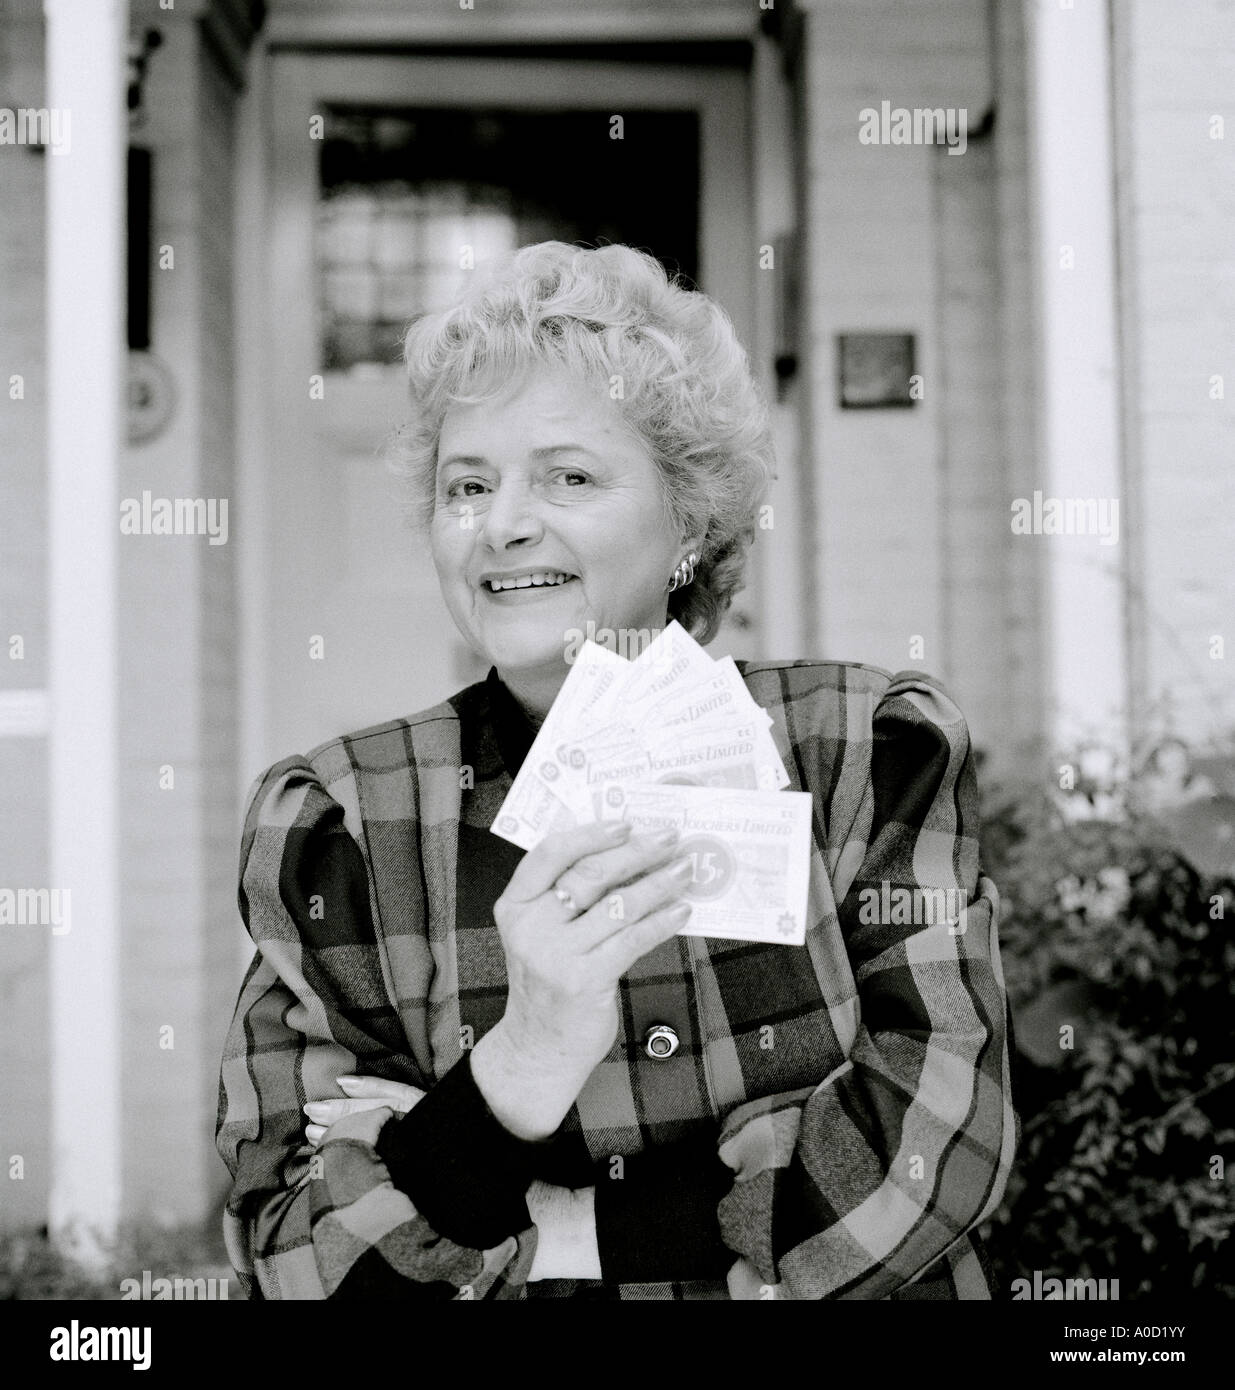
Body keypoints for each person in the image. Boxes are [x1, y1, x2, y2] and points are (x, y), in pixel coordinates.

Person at [216, 241, 1016, 1299]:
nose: (501, 523)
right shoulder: (344, 824)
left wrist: (540, 1218)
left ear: (687, 519)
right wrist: (523, 1059)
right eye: (468, 484)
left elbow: (932, 1164)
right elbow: (300, 1256)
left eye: (569, 475)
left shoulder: (862, 750)